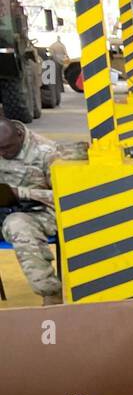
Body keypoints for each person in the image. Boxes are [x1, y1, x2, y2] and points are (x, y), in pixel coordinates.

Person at [0, 118, 84, 304]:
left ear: (19, 135)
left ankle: (51, 292)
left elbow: (64, 196)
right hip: (3, 211)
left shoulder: (47, 153)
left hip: (39, 213)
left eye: (7, 148)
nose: (3, 153)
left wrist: (20, 193)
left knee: (18, 225)